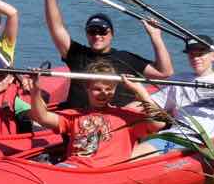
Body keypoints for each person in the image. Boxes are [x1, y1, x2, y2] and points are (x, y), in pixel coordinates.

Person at [41, 0, 172, 110]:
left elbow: (164, 73)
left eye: (102, 31)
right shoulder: (77, 53)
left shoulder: (126, 58)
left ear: (112, 34)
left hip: (117, 119)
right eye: (92, 31)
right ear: (86, 34)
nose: (97, 36)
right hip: (79, 117)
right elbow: (56, 27)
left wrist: (155, 36)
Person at [22, 61, 170, 166]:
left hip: (103, 173)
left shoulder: (126, 116)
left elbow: (158, 124)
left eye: (109, 89)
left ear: (114, 89)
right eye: (97, 89)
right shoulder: (75, 115)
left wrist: (141, 91)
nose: (103, 93)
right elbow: (42, 117)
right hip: (73, 168)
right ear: (87, 88)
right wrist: (35, 89)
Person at [133, 41, 214, 154]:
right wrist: (139, 91)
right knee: (134, 155)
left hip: (203, 142)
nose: (195, 58)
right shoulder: (178, 80)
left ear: (213, 56)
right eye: (192, 55)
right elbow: (154, 111)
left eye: (200, 54)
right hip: (174, 137)